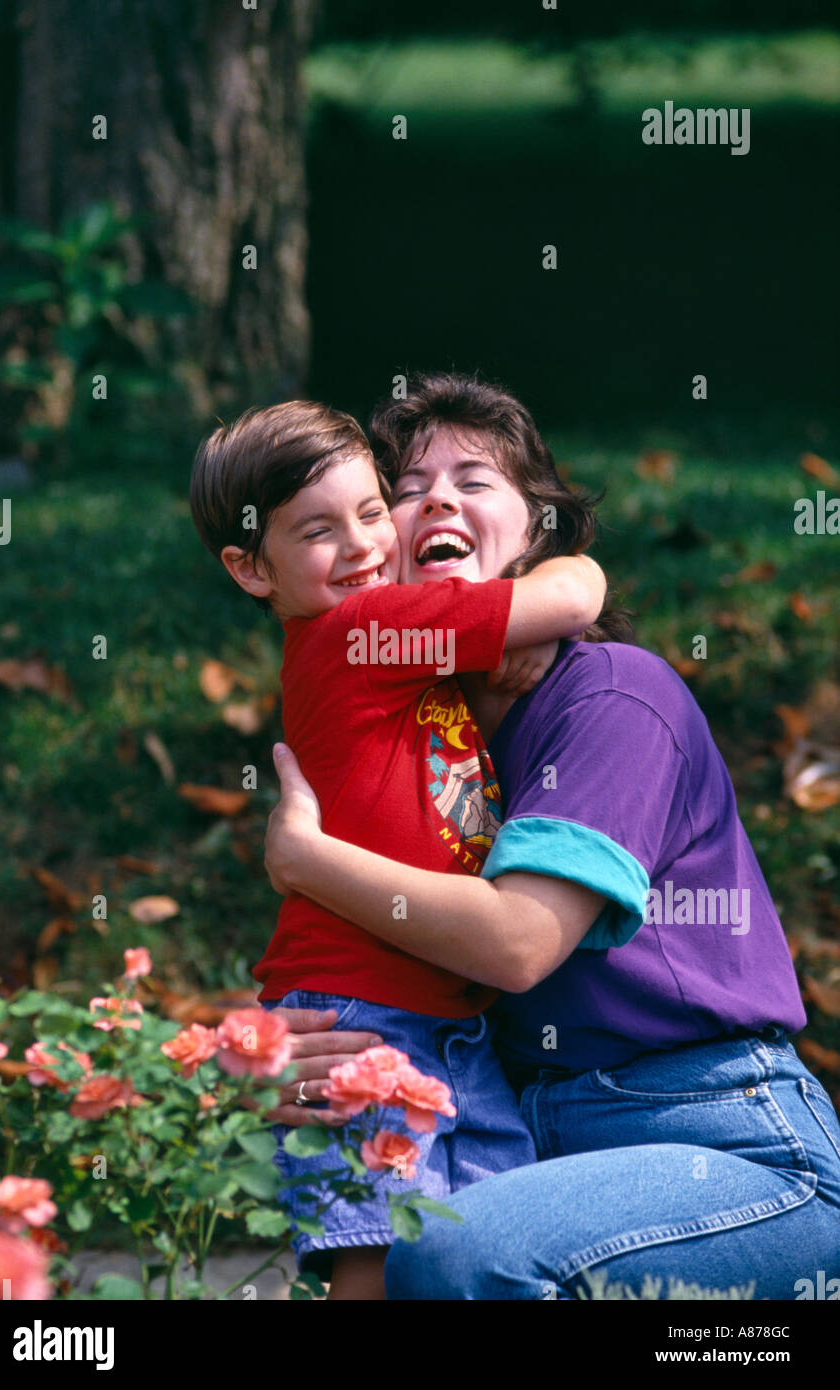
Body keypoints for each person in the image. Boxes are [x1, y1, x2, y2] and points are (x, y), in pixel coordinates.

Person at [263, 371, 840, 1300]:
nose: (436, 498)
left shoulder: (612, 694)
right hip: (523, 1136)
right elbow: (361, 968)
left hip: (729, 1148)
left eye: (474, 480)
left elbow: (517, 942)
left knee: (448, 1253)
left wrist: (307, 860)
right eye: (402, 491)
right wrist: (274, 1049)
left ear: (538, 531)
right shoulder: (409, 738)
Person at [189, 398, 607, 1299]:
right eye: (316, 532)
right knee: (373, 1267)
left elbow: (522, 623)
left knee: (468, 1262)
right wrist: (532, 612)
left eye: (374, 511)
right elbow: (576, 591)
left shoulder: (389, 643)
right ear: (249, 569)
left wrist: (509, 637)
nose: (364, 546)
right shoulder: (364, 634)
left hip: (445, 1021)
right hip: (362, 1016)